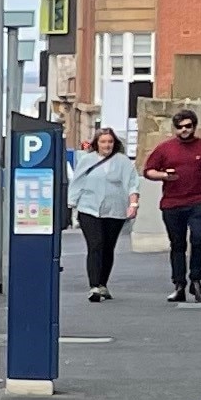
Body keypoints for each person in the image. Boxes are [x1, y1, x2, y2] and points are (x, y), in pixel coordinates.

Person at [142, 107, 201, 300]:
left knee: (199, 239)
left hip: (198, 202)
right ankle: (179, 284)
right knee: (177, 244)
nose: (184, 130)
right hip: (172, 203)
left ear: (194, 126)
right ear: (175, 128)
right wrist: (164, 175)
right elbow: (148, 171)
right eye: (180, 127)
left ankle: (196, 281)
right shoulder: (165, 149)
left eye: (188, 126)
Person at [70, 127, 138, 298]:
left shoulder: (122, 161)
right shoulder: (87, 160)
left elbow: (132, 183)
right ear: (96, 143)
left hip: (114, 209)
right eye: (103, 142)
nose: (107, 145)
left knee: (108, 247)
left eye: (110, 141)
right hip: (89, 208)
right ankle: (94, 285)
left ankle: (102, 284)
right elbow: (77, 181)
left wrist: (133, 204)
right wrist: (72, 203)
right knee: (96, 245)